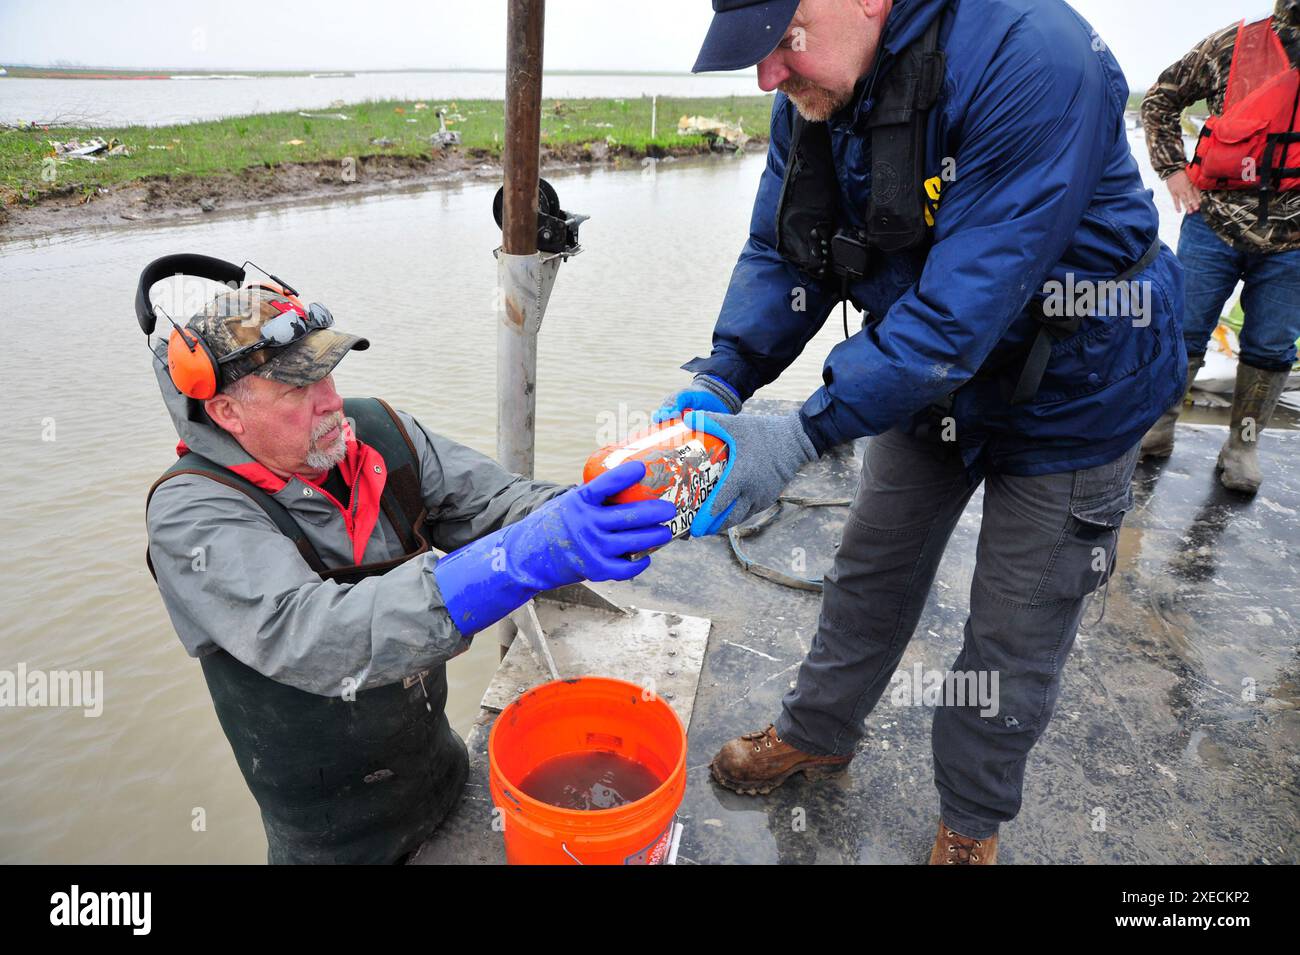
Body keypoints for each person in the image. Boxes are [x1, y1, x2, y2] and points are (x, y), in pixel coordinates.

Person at [654, 0, 1186, 863]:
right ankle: (817, 732)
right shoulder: (818, 83)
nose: (767, 76)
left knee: (1012, 629)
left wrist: (796, 437)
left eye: (782, 43)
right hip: (926, 379)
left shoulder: (1035, 57)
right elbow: (789, 249)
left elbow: (961, 311)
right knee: (869, 567)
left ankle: (970, 826)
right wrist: (724, 374)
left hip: (1075, 387)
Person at [142, 261, 675, 864]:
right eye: (298, 388)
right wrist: (509, 564)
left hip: (442, 777)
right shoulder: (192, 514)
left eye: (329, 374)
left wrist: (599, 505)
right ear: (226, 414)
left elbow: (498, 502)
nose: (331, 402)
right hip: (333, 841)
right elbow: (312, 636)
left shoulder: (378, 434)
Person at [1140, 0, 1300, 493]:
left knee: (1271, 346)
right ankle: (1158, 428)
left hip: (1295, 241)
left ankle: (1243, 446)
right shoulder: (1234, 43)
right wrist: (1172, 172)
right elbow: (1161, 99)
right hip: (1213, 222)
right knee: (1182, 330)